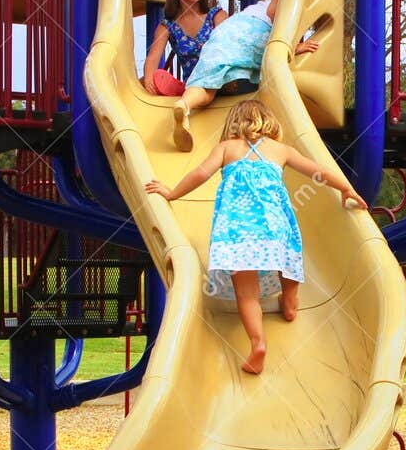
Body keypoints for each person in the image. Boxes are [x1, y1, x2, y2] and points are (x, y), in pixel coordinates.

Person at [145, 99, 365, 375]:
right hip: (275, 227)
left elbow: (201, 173)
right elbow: (318, 171)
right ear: (270, 123)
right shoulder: (281, 150)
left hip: (237, 232)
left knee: (247, 295)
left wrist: (172, 192)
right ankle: (289, 302)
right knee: (289, 263)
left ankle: (258, 343)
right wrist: (346, 189)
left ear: (233, 124)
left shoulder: (226, 148)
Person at [169, 0, 319, 151]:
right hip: (252, 31)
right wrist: (291, 47)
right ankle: (233, 83)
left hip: (222, 35)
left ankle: (185, 105)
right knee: (261, 68)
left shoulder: (256, 5)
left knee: (205, 86)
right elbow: (274, 15)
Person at [142, 0, 226, 98]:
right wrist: (149, 79)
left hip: (218, 81)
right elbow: (153, 58)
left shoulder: (217, 16)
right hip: (193, 88)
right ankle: (181, 89)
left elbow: (228, 49)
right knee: (147, 80)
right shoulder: (169, 26)